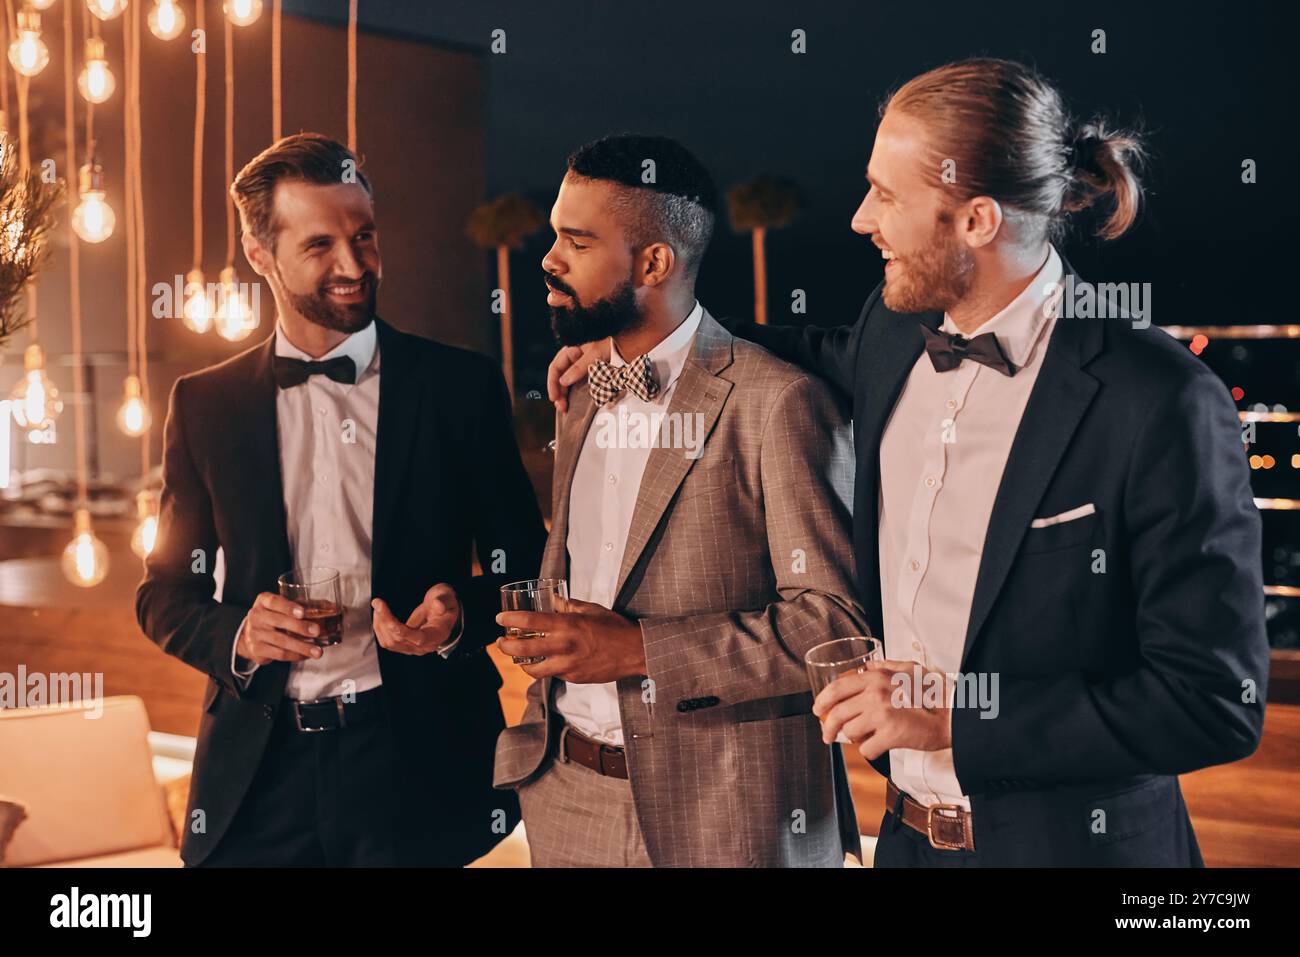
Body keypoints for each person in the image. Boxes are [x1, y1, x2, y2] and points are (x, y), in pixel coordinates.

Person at [548, 61, 1268, 866]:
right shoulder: (891, 335)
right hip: (905, 841)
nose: (861, 219)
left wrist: (957, 718)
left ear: (978, 220)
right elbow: (790, 350)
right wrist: (633, 350)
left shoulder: (1159, 399)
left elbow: (1213, 702)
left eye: (885, 196)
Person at [137, 132, 547, 866]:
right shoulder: (204, 405)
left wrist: (457, 616)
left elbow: (530, 569)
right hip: (258, 777)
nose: (355, 267)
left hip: (415, 768)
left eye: (363, 236)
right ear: (260, 254)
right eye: (320, 245)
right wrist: (240, 634)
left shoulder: (459, 388)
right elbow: (165, 597)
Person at [494, 134, 868, 866]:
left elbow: (835, 627)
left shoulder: (780, 402)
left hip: (728, 818)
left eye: (577, 241)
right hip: (565, 800)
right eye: (554, 235)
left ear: (654, 263)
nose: (549, 259)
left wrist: (637, 651)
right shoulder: (580, 389)